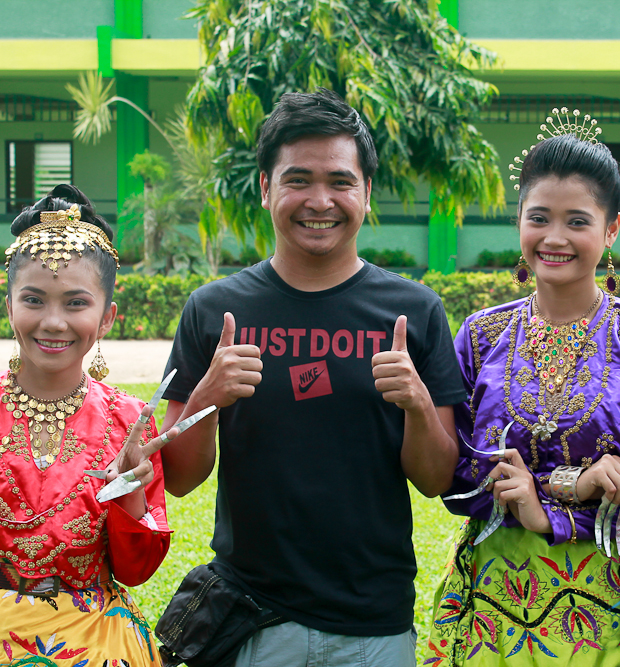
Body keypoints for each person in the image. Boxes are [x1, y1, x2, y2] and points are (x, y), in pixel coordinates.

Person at [159, 88, 468, 665]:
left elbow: (436, 479)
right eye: (298, 179)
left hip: (374, 622)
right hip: (252, 617)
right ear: (265, 188)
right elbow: (178, 478)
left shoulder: (415, 311)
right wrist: (207, 396)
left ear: (367, 194)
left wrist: (419, 405)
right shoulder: (213, 310)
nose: (319, 200)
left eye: (341, 182)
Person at [423, 112, 620, 666]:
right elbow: (452, 478)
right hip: (495, 601)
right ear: (517, 221)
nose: (554, 238)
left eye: (577, 221)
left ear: (611, 228)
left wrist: (557, 501)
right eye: (539, 218)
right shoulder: (479, 336)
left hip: (612, 601)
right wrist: (542, 491)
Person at [0, 184, 175, 666]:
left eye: (75, 303)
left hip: (96, 646)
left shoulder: (130, 424)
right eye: (34, 300)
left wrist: (131, 492)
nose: (53, 322)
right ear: (9, 306)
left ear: (107, 317)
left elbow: (135, 572)